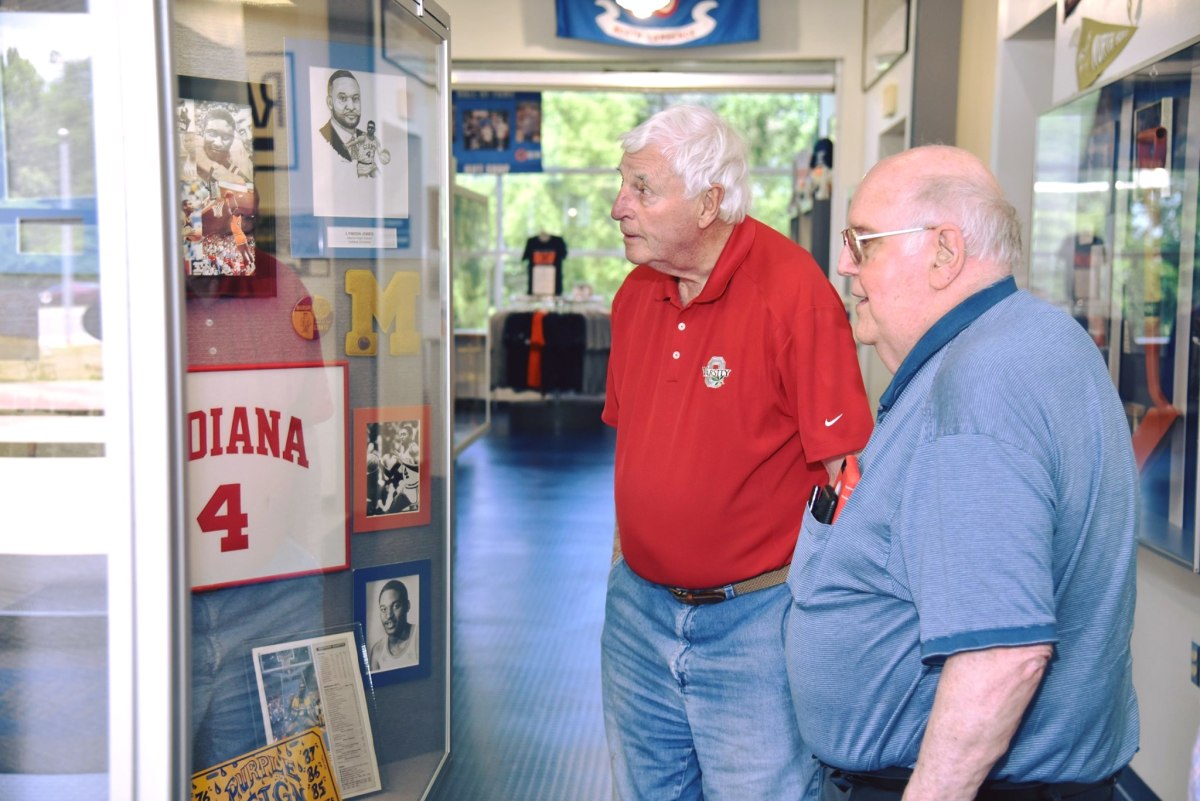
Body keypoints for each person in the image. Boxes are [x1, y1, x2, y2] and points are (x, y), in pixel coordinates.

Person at [784, 144, 1139, 800]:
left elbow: (1003, 654)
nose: (844, 265)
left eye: (863, 242)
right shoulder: (1039, 335)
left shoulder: (979, 384)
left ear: (945, 252)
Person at [601, 104, 873, 801]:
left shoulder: (793, 295)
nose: (618, 206)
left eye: (642, 189)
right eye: (623, 185)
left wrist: (823, 629)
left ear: (708, 202)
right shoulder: (635, 296)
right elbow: (631, 451)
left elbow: (851, 479)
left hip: (755, 625)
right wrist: (621, 570)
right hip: (638, 613)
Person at [368, 579, 418, 671]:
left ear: (407, 606)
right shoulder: (377, 651)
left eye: (395, 606)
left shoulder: (419, 636)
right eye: (383, 609)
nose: (389, 615)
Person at [319, 69, 363, 162]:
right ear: (330, 103)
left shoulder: (368, 139)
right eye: (343, 98)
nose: (351, 107)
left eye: (355, 99)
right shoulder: (320, 139)